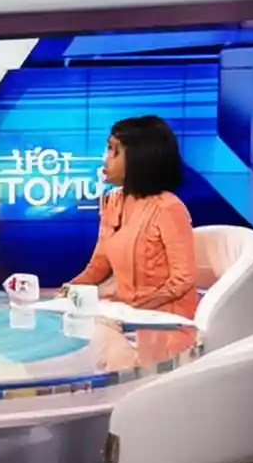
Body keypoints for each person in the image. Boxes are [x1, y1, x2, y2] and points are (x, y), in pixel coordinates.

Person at [67, 115, 198, 320]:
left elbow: (182, 280)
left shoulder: (168, 208)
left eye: (113, 150)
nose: (105, 158)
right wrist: (68, 290)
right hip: (124, 314)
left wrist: (134, 310)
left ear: (139, 157)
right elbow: (98, 266)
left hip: (163, 319)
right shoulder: (113, 201)